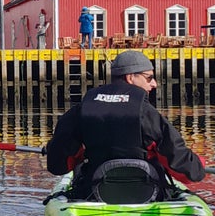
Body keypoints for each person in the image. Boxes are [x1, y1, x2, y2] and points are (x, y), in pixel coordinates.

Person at [45, 49, 206, 203]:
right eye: (149, 78)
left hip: (93, 195)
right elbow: (188, 172)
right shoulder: (148, 115)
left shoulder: (81, 110)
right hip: (147, 195)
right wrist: (200, 164)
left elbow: (58, 165)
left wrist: (80, 154)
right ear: (130, 78)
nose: (154, 84)